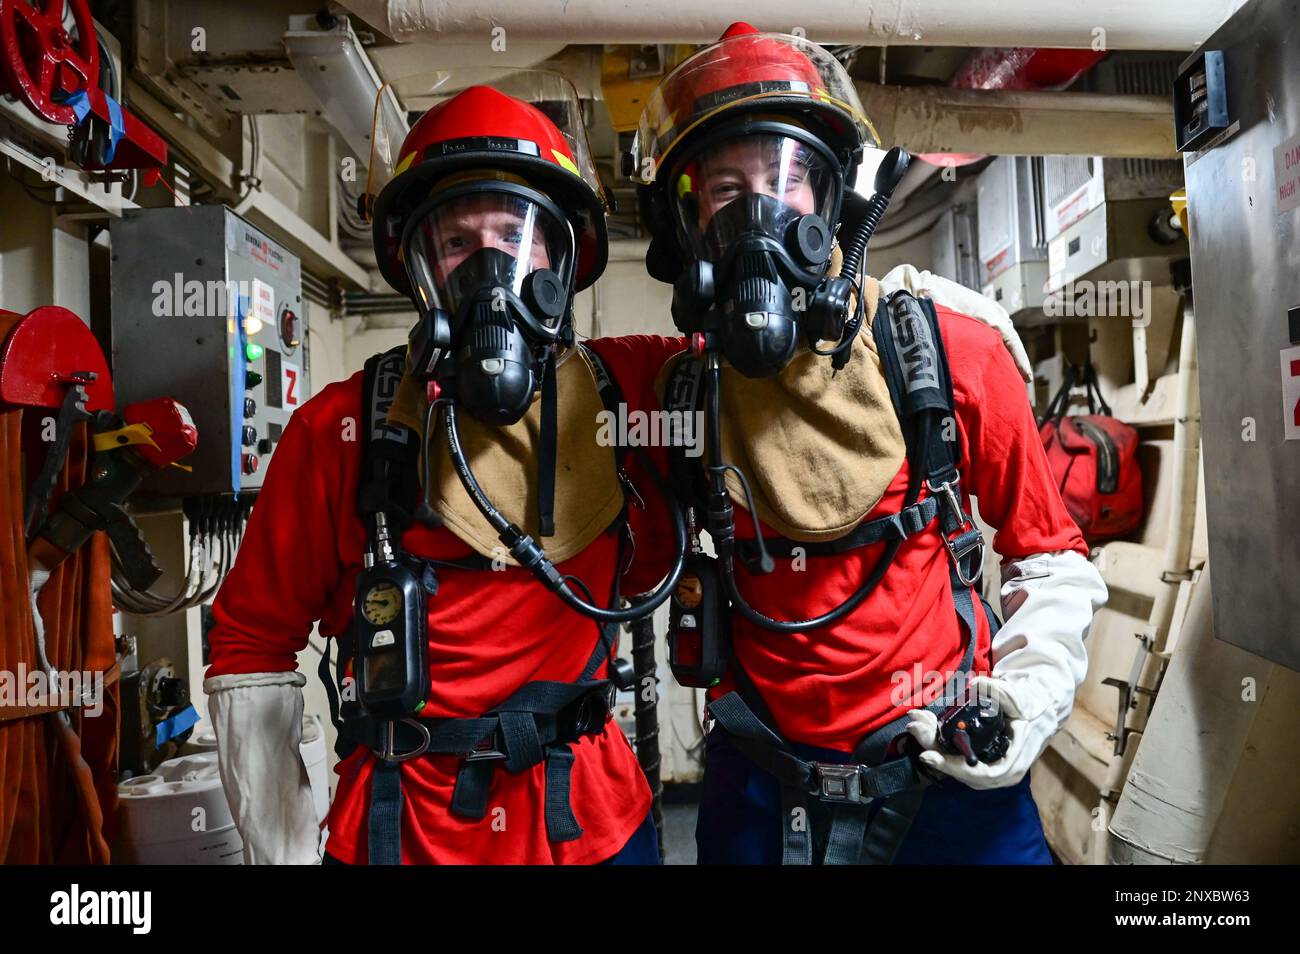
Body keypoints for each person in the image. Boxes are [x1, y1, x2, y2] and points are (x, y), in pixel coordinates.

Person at [632, 22, 1108, 864]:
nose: (758, 215)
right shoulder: (675, 388)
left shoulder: (942, 347)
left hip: (945, 771)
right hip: (760, 783)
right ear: (689, 230)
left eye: (785, 182)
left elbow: (1051, 556)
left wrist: (1022, 709)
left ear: (833, 204)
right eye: (725, 189)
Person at [203, 85, 682, 865]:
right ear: (419, 270)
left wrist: (905, 309)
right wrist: (281, 847)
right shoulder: (340, 430)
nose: (489, 269)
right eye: (457, 244)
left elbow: (765, 387)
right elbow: (251, 643)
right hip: (401, 830)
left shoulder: (629, 393)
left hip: (586, 824)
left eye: (515, 236)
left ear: (560, 260)